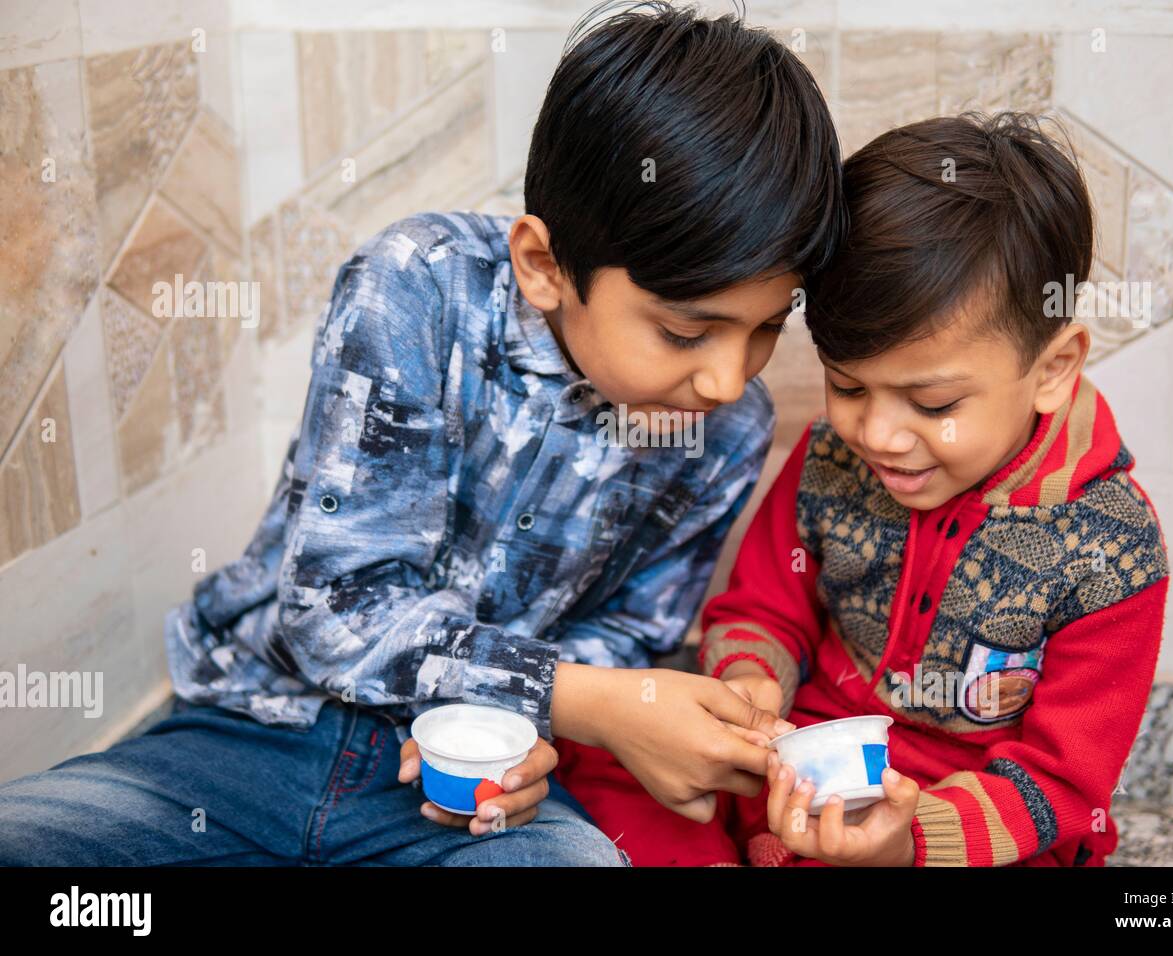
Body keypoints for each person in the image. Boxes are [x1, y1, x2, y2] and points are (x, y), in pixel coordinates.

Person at [0, 1, 846, 866]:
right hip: (256, 731)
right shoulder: (417, 288)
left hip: (476, 790)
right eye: (683, 331)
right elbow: (333, 608)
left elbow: (630, 634)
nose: (729, 379)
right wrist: (587, 702)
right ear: (545, 267)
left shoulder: (727, 428)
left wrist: (535, 730)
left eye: (769, 327)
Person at [554, 112, 1170, 867]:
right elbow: (760, 610)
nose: (877, 433)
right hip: (799, 772)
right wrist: (753, 690)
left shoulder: (1111, 549)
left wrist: (905, 844)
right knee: (605, 759)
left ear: (1052, 368)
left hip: (965, 827)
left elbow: (1062, 785)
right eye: (847, 384)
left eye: (933, 405)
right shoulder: (832, 458)